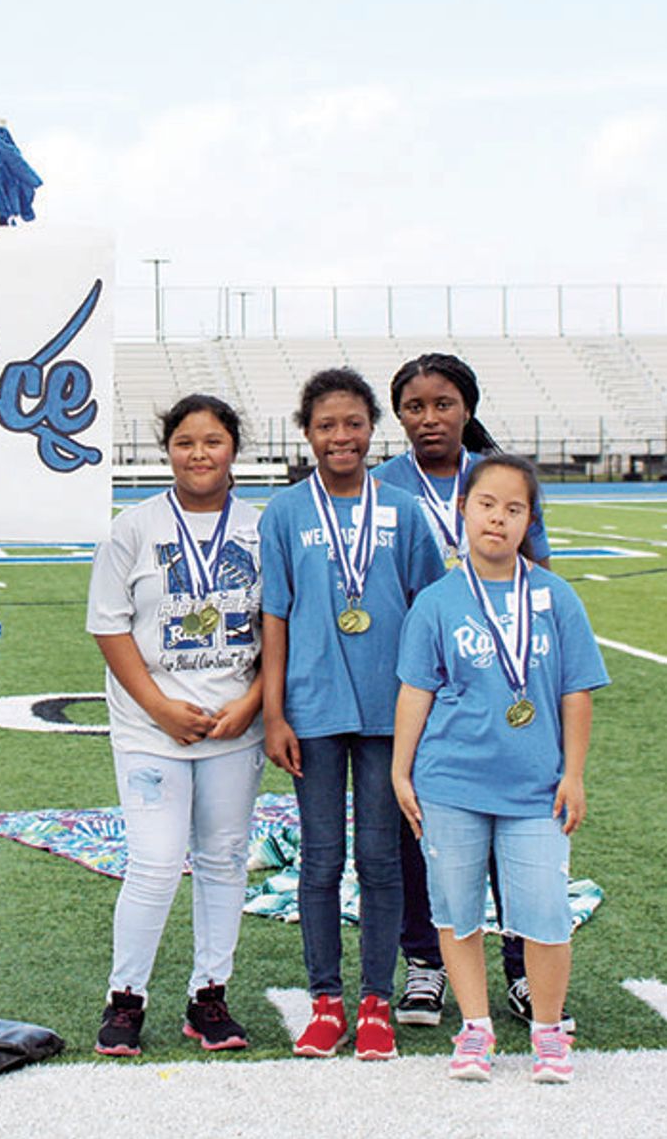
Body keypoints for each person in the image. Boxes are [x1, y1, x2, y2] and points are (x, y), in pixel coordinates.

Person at [392, 454, 607, 1083]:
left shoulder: (554, 595)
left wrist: (574, 773)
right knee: (457, 911)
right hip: (450, 783)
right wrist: (402, 773)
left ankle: (546, 1031)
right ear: (464, 509)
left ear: (528, 521)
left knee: (543, 911)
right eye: (487, 505)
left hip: (536, 788)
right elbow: (415, 692)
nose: (498, 519)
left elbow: (576, 691)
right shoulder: (437, 601)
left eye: (514, 510)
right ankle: (476, 1030)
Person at [260, 368, 444, 1061]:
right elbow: (274, 616)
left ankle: (375, 1001)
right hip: (312, 708)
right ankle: (325, 1000)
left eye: (354, 423)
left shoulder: (402, 509)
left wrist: (427, 712)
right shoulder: (284, 512)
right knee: (320, 859)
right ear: (307, 432)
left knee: (380, 858)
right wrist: (275, 712)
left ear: (373, 428)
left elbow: (429, 611)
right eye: (327, 424)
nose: (342, 436)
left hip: (389, 710)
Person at [373, 352, 558, 1030]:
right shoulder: (384, 485)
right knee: (423, 827)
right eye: (415, 406)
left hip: (502, 678)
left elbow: (539, 574)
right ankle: (424, 965)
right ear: (399, 415)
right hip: (423, 681)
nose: (429, 417)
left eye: (444, 403)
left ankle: (520, 970)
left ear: (467, 408)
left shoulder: (500, 480)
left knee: (514, 829)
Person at [87, 395, 265, 1057]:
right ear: (168, 449)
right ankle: (126, 995)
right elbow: (108, 624)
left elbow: (277, 626)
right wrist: (159, 705)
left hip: (232, 726)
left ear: (233, 449)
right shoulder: (131, 527)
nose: (199, 454)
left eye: (213, 441)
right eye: (186, 441)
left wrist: (251, 703)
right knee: (156, 863)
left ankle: (209, 994)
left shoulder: (257, 528)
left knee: (222, 861)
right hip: (149, 727)